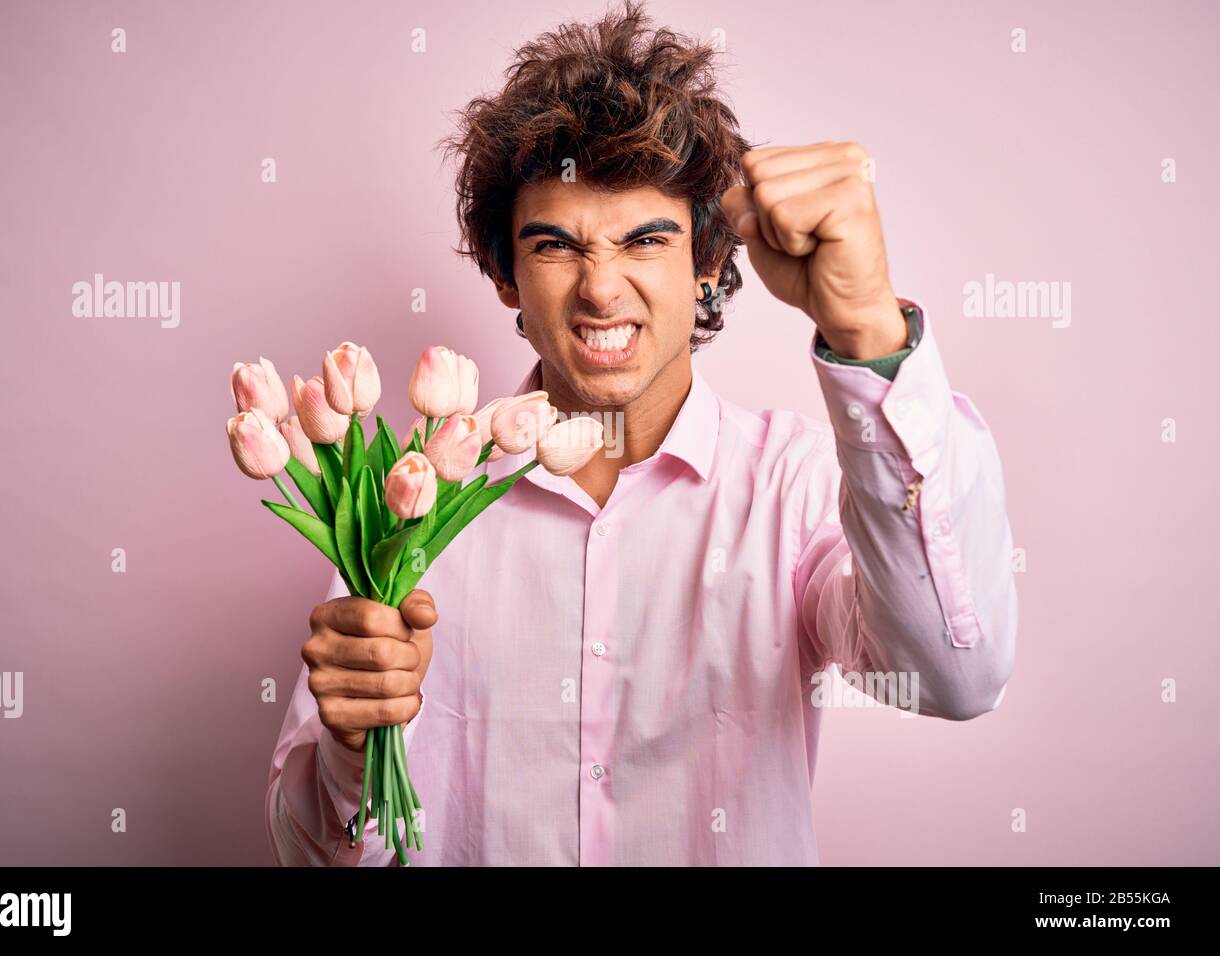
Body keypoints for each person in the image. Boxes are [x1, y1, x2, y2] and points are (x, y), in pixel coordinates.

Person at [265, 0, 1017, 866]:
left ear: (705, 266)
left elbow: (956, 677)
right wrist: (353, 748)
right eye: (555, 247)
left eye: (646, 240)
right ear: (505, 278)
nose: (601, 289)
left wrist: (869, 332)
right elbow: (303, 850)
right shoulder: (411, 500)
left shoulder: (796, 485)